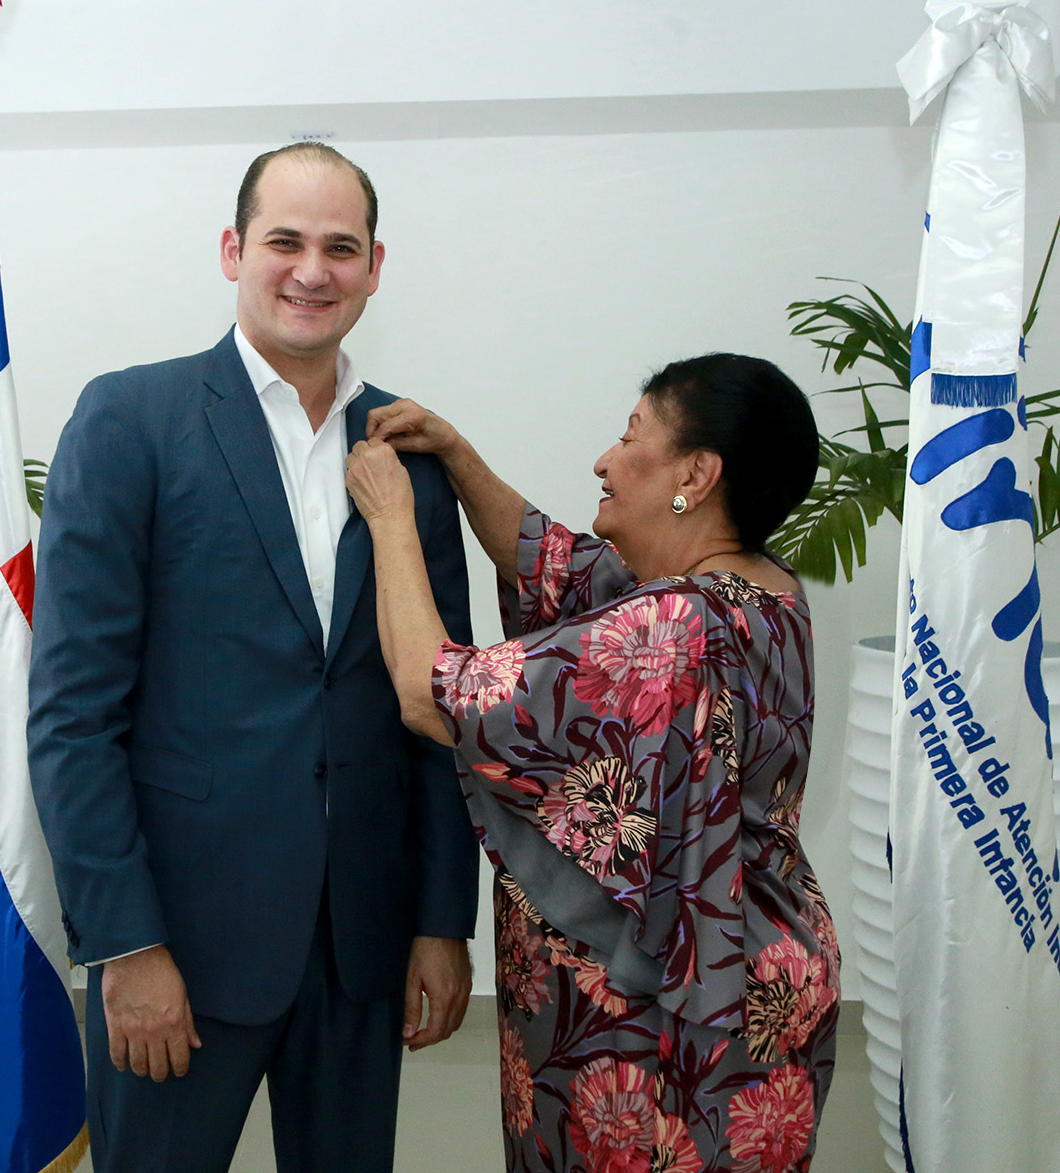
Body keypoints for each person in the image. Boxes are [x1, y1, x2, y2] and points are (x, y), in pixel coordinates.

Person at [27, 142, 480, 1173]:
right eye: (284, 240)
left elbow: (440, 706)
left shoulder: (411, 451)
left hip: (360, 947)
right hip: (180, 943)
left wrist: (439, 921)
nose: (310, 270)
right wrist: (126, 947)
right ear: (234, 250)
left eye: (340, 246)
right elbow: (72, 714)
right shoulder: (129, 419)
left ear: (374, 267)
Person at [344, 353, 840, 1173]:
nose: (605, 460)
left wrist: (392, 520)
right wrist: (460, 460)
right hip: (768, 985)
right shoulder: (764, 593)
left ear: (696, 472)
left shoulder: (675, 624)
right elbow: (571, 572)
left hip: (656, 1038)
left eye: (630, 434)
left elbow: (432, 693)